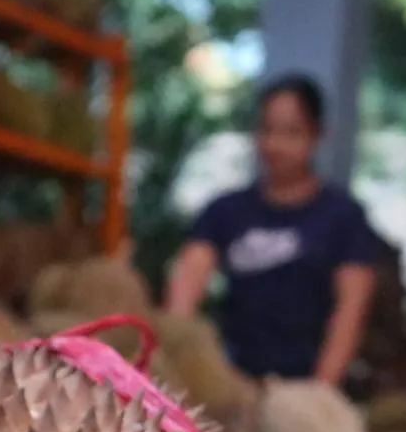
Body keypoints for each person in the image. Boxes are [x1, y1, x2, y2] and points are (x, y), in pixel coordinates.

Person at [163, 74, 380, 385]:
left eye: (292, 132)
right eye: (266, 129)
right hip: (233, 379)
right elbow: (185, 290)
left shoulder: (343, 217)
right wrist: (176, 357)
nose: (275, 144)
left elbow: (350, 313)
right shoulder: (225, 211)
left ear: (318, 135)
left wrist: (319, 394)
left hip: (307, 383)